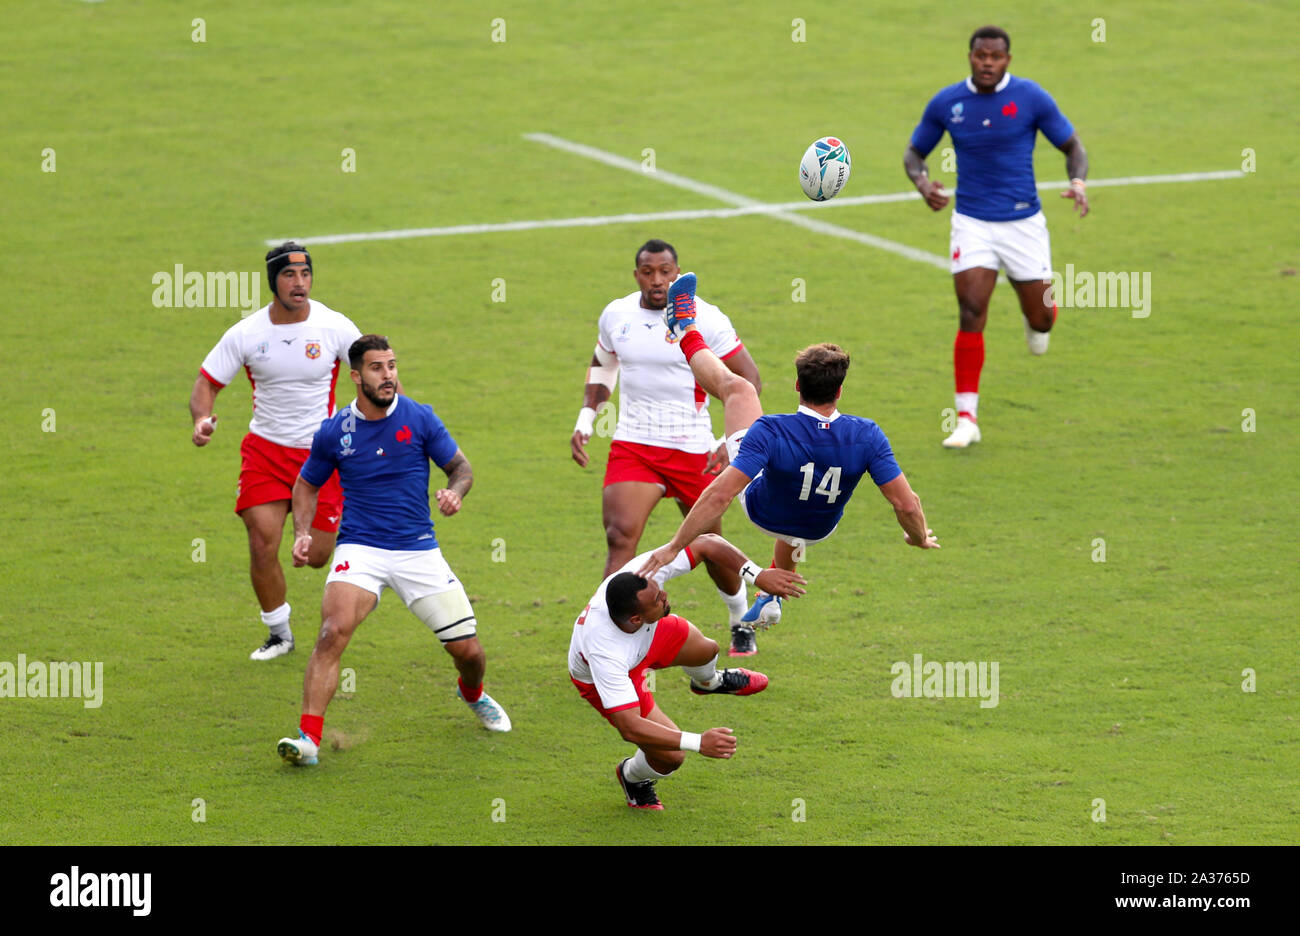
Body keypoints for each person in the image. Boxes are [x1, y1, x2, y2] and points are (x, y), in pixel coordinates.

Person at [637, 274, 939, 651]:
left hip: (763, 512)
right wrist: (919, 536)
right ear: (840, 390)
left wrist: (674, 545)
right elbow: (906, 503)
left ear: (798, 386)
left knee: (738, 389)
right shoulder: (867, 435)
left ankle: (683, 326)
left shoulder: (771, 430)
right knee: (796, 498)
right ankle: (773, 598)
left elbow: (719, 496)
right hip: (818, 527)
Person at [276, 335, 508, 767]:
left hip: (418, 550)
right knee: (331, 633)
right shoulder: (334, 432)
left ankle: (472, 693)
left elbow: (460, 467)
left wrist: (455, 493)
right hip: (360, 548)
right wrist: (302, 532)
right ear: (356, 376)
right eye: (377, 368)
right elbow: (307, 483)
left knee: (469, 653)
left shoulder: (419, 418)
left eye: (392, 366)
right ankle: (308, 739)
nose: (388, 376)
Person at [190, 242, 390, 660]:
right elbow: (208, 381)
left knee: (317, 556)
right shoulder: (247, 334)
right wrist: (201, 419)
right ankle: (279, 632)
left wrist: (398, 427)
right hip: (264, 452)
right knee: (262, 542)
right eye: (289, 276)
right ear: (273, 282)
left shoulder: (334, 327)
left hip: (323, 454)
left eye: (305, 275)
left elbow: (376, 374)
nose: (299, 284)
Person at [903, 25, 1089, 448]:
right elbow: (915, 152)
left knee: (1041, 318)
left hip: (1023, 223)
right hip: (972, 222)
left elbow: (1072, 145)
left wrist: (1077, 182)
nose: (987, 62)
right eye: (980, 55)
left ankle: (1038, 319)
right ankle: (966, 418)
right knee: (971, 309)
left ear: (1007, 60)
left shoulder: (1031, 98)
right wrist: (922, 183)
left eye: (996, 56)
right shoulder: (948, 103)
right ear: (970, 56)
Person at [570, 239, 763, 637]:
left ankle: (738, 614)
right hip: (634, 445)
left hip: (695, 450)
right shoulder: (616, 314)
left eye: (665, 272)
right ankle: (605, 635)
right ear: (636, 274)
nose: (657, 280)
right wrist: (587, 417)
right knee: (619, 536)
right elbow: (603, 364)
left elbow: (748, 380)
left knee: (710, 547)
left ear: (678, 273)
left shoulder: (706, 318)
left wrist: (730, 440)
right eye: (648, 272)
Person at [569, 532, 806, 809]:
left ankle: (708, 683)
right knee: (671, 758)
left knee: (706, 650)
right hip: (612, 674)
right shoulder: (605, 651)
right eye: (658, 599)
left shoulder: (642, 574)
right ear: (635, 617)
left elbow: (707, 542)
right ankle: (632, 776)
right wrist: (698, 742)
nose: (665, 595)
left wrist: (757, 575)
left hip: (649, 634)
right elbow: (629, 726)